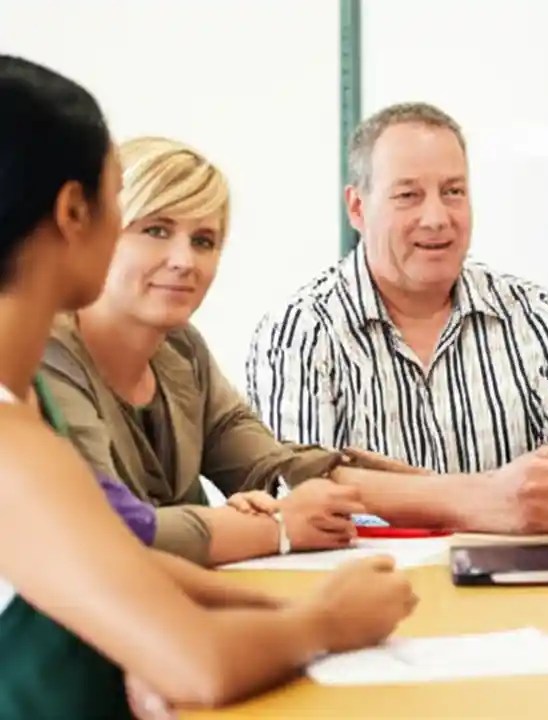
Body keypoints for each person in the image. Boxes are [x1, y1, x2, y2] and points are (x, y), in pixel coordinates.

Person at [0, 53, 415, 717]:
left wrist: (303, 602)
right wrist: (328, 623)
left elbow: (115, 555)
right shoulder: (13, 445)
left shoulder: (24, 405)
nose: (180, 259)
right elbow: (196, 664)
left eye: (203, 238)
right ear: (74, 211)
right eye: (132, 212)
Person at [245, 102, 548, 535]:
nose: (436, 218)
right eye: (408, 195)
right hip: (372, 588)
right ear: (357, 208)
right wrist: (489, 497)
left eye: (453, 192)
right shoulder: (299, 330)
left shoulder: (530, 312)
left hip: (519, 588)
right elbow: (299, 491)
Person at [41, 136, 430, 568]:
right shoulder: (44, 354)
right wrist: (271, 528)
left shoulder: (181, 348)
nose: (184, 261)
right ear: (97, 233)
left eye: (204, 241)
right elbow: (107, 533)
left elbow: (273, 470)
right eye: (156, 230)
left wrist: (465, 495)